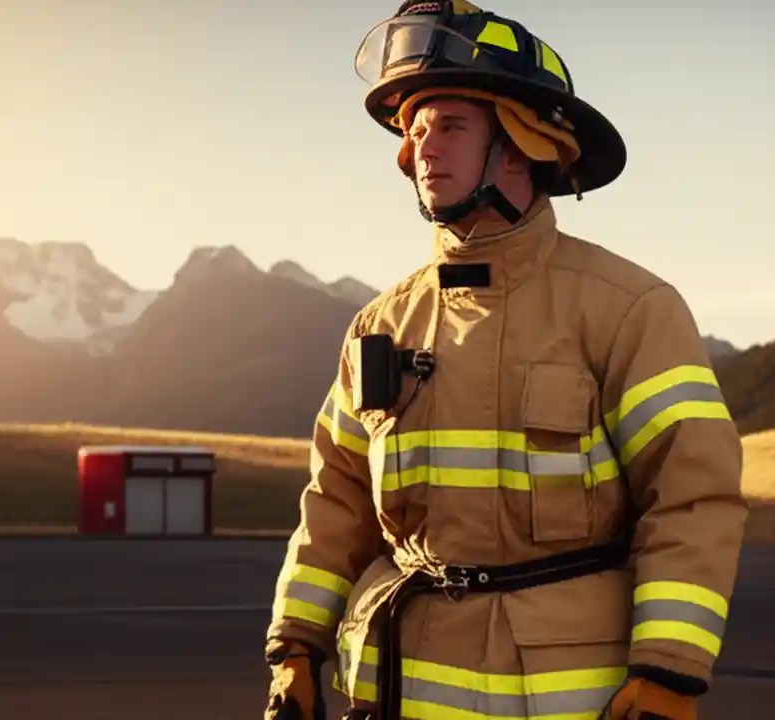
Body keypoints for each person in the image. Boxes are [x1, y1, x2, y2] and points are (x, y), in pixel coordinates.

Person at [262, 2, 749, 719]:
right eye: (416, 130)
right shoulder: (382, 325)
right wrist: (296, 649)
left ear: (523, 143)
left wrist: (668, 672)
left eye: (451, 126)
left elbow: (692, 499)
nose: (423, 148)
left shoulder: (630, 308)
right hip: (394, 693)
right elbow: (334, 503)